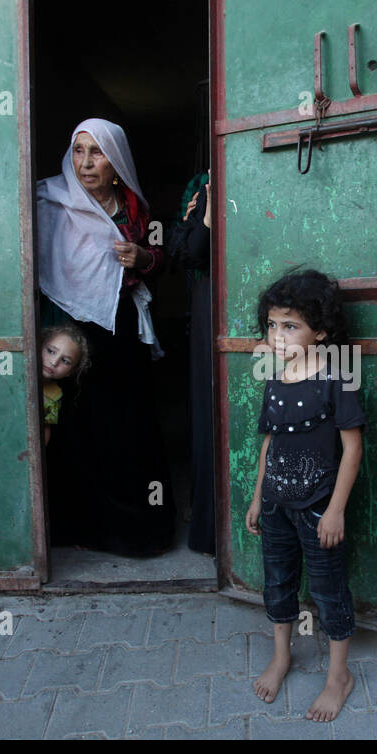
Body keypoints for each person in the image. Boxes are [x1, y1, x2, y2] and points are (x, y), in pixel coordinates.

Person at [36, 118, 174, 554]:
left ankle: (134, 533)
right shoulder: (49, 200)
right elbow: (41, 269)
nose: (86, 162)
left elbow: (160, 259)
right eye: (79, 150)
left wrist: (141, 258)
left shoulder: (135, 209)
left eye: (97, 153)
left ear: (115, 163)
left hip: (121, 332)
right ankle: (78, 530)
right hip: (71, 332)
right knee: (74, 427)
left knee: (126, 427)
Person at [244, 270, 365, 722]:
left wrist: (335, 511)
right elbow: (269, 444)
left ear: (321, 331)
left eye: (290, 325)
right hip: (276, 506)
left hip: (318, 509)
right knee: (277, 583)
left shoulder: (337, 380)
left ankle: (339, 676)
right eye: (273, 325)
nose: (278, 335)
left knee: (329, 592)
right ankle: (282, 657)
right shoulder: (275, 381)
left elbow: (353, 448)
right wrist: (259, 498)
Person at [169, 170, 215, 556]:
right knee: (210, 412)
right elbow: (192, 253)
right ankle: (211, 528)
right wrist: (210, 207)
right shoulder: (200, 184)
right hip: (210, 309)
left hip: (273, 305)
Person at [39, 324, 91, 447]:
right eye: (51, 351)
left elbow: (45, 428)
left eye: (65, 361)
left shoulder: (54, 395)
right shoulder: (14, 371)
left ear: (71, 372)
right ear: (38, 346)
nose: (54, 362)